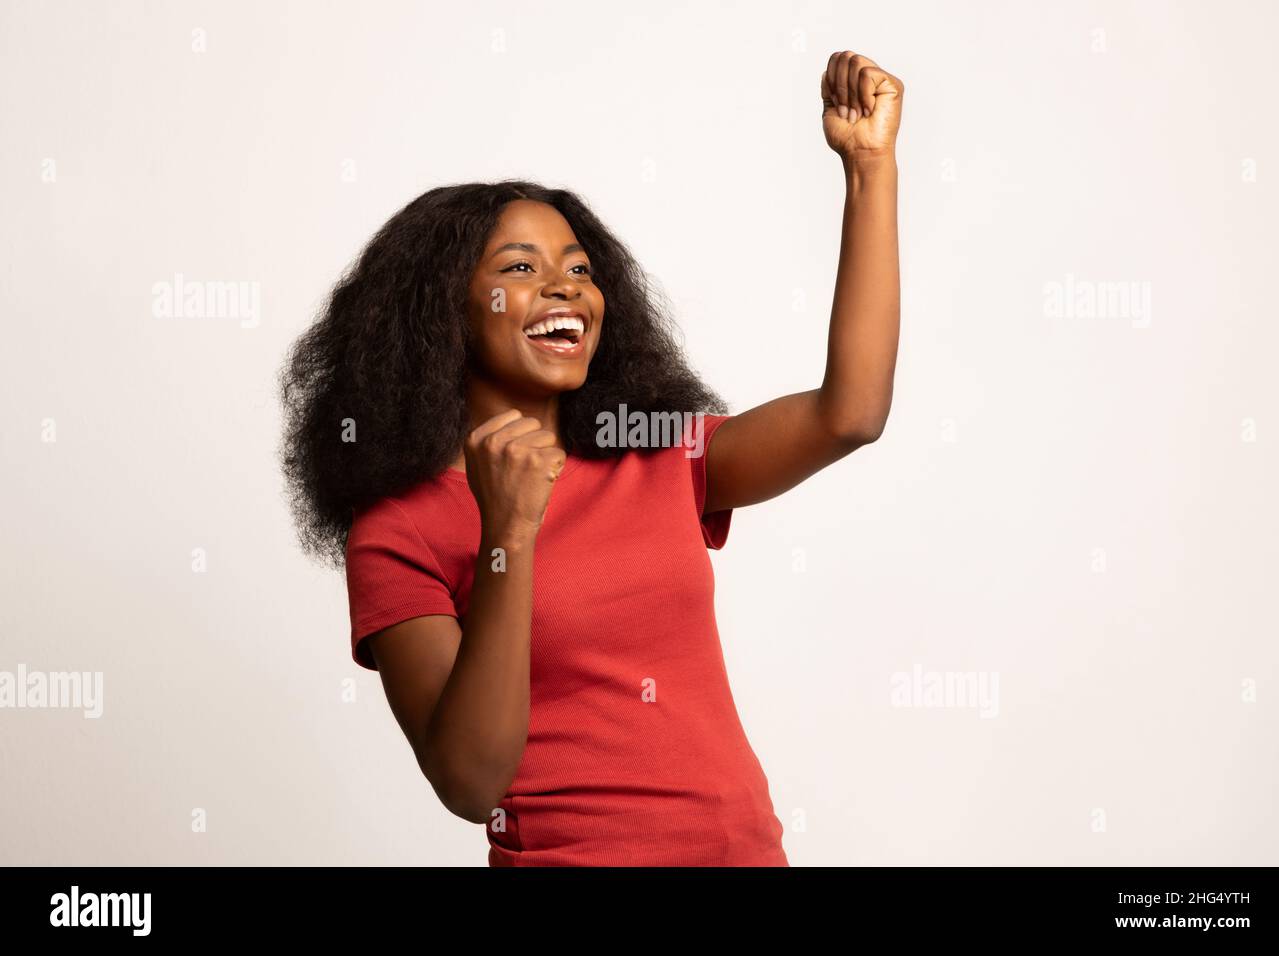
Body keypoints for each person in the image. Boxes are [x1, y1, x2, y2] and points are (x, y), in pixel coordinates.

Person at [279, 50, 903, 865]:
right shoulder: (400, 528)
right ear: (444, 314)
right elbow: (469, 782)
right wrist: (509, 532)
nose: (566, 286)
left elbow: (847, 416)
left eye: (579, 269)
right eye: (521, 270)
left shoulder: (648, 452)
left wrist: (869, 170)